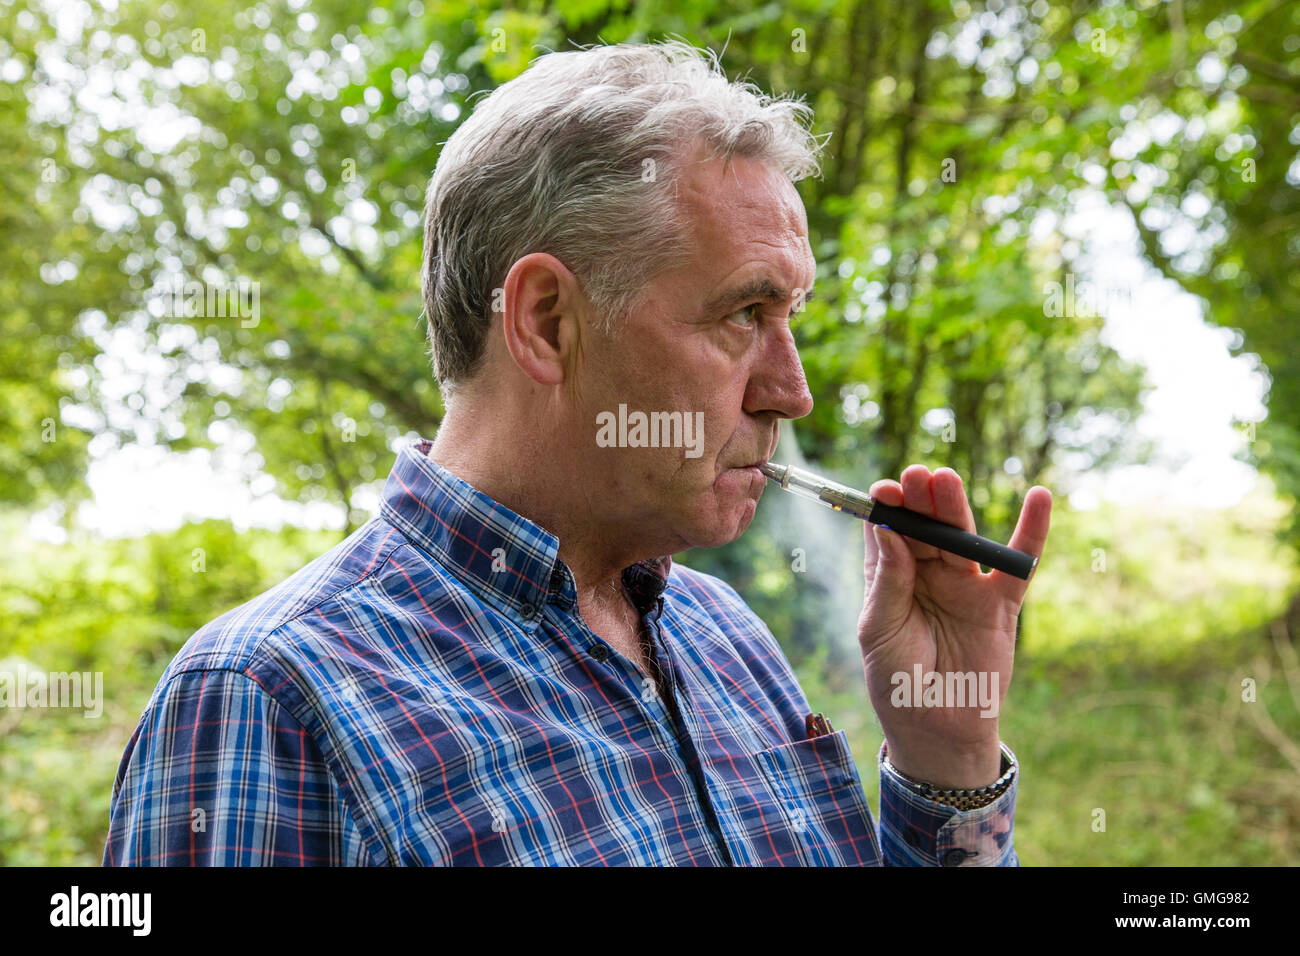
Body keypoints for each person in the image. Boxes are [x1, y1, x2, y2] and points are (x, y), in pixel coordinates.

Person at [105, 40, 1051, 866]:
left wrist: (948, 762)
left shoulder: (724, 637)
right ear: (548, 322)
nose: (791, 391)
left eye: (790, 316)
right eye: (743, 313)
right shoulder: (269, 704)